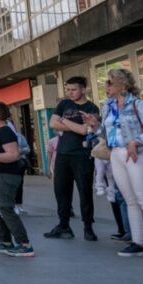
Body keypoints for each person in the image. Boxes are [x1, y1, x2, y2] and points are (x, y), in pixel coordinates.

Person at [88, 68, 143, 259]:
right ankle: (138, 241)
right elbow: (107, 135)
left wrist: (137, 141)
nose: (106, 86)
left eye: (109, 82)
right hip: (116, 154)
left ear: (121, 84)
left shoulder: (139, 104)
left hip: (135, 153)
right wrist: (95, 126)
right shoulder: (108, 106)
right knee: (130, 200)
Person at [45, 76, 100, 241]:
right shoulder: (63, 104)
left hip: (82, 156)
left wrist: (63, 120)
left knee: (85, 192)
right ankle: (63, 225)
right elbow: (52, 124)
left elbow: (85, 130)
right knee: (61, 191)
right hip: (62, 154)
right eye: (68, 89)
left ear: (84, 89)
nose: (70, 93)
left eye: (73, 89)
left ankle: (88, 227)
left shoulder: (92, 107)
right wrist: (72, 125)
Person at [0, 101, 34, 257]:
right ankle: (5, 241)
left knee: (5, 208)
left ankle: (24, 244)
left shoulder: (5, 132)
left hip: (5, 175)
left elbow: (13, 155)